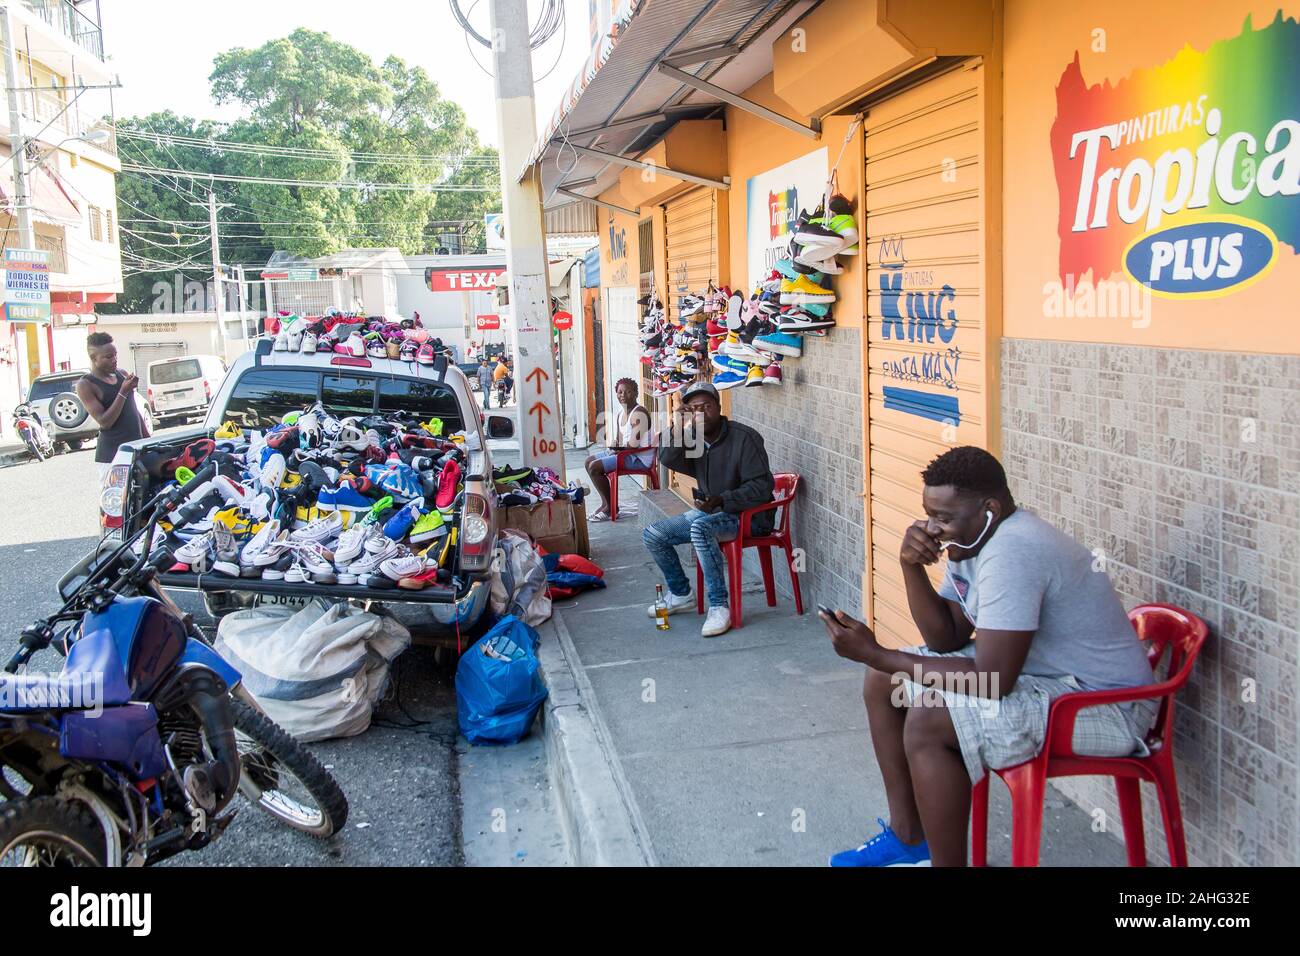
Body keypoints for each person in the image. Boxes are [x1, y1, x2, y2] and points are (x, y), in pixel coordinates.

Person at [821, 446, 1159, 867]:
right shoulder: (974, 540)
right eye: (929, 514)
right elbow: (946, 637)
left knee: (929, 719)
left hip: (1108, 707)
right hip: (1052, 683)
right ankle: (909, 839)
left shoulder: (1013, 550)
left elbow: (993, 681)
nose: (933, 528)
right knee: (884, 683)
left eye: (944, 518)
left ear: (989, 509)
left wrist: (877, 653)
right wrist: (910, 566)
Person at [642, 382, 774, 638]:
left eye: (706, 407)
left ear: (719, 407)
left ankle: (719, 606)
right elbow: (667, 459)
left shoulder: (745, 437)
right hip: (713, 513)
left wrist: (722, 500)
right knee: (653, 534)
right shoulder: (692, 439)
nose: (700, 414)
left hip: (750, 516)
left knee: (700, 528)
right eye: (693, 409)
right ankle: (681, 593)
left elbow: (761, 487)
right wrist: (678, 427)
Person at [77, 332, 148, 484]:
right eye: (108, 357)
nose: (114, 360)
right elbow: (104, 422)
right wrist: (123, 391)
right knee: (118, 504)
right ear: (93, 358)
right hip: (112, 456)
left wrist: (148, 440)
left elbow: (134, 410)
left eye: (115, 355)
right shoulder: (86, 385)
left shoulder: (122, 374)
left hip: (137, 448)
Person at [585, 377, 652, 521]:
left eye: (628, 392)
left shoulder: (639, 413)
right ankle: (606, 503)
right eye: (620, 392)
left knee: (595, 467)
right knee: (588, 461)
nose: (623, 395)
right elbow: (620, 440)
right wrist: (615, 444)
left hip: (638, 457)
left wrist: (617, 448)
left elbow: (633, 445)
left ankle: (611, 508)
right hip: (626, 453)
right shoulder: (621, 414)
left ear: (635, 394)